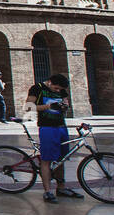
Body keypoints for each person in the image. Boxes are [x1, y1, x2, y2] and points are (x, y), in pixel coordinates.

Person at [27, 73, 83, 203]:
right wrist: (48, 106)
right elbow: (28, 107)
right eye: (56, 88)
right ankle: (47, 191)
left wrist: (65, 106)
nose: (58, 91)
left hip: (61, 126)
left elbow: (65, 103)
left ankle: (61, 188)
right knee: (46, 160)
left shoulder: (62, 90)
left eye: (60, 89)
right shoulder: (37, 88)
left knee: (61, 159)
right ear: (50, 82)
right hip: (47, 127)